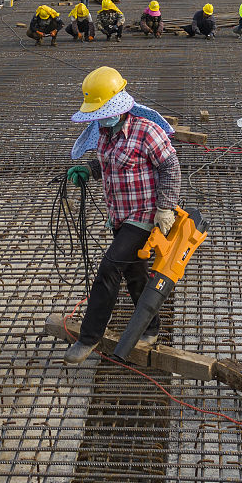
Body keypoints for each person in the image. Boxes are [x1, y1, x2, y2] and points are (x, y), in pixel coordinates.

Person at [62, 66, 181, 364]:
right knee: (135, 275)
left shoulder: (146, 131)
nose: (100, 117)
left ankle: (89, 338)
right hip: (119, 214)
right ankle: (151, 328)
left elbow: (170, 167)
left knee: (109, 270)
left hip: (143, 217)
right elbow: (111, 163)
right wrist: (89, 170)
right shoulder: (104, 131)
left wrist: (165, 207)